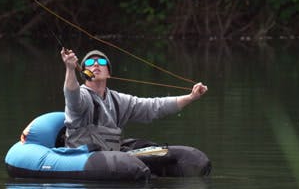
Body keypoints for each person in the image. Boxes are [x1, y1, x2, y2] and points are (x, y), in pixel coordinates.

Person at [61, 48, 208, 151]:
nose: (96, 64)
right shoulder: (83, 96)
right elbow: (72, 96)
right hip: (83, 156)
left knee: (149, 147)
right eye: (89, 63)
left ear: (109, 74)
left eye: (101, 62)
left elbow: (153, 107)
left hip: (110, 156)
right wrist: (70, 68)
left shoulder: (119, 100)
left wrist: (191, 97)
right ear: (84, 72)